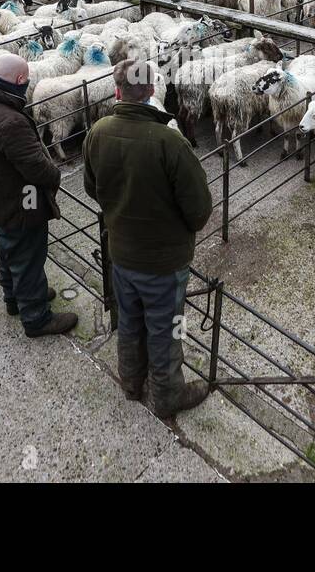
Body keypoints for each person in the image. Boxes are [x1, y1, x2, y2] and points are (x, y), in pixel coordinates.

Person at [83, 59, 213, 418]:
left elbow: (92, 187)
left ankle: (130, 380)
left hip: (121, 252)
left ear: (116, 91)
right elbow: (199, 209)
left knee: (129, 317)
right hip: (163, 261)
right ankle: (168, 395)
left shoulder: (98, 131)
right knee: (166, 327)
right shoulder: (170, 141)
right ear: (153, 91)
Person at [0, 52, 73, 338]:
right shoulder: (9, 121)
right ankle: (36, 318)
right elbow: (39, 169)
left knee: (9, 250)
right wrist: (55, 176)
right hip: (21, 202)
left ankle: (14, 298)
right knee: (28, 256)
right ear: (20, 80)